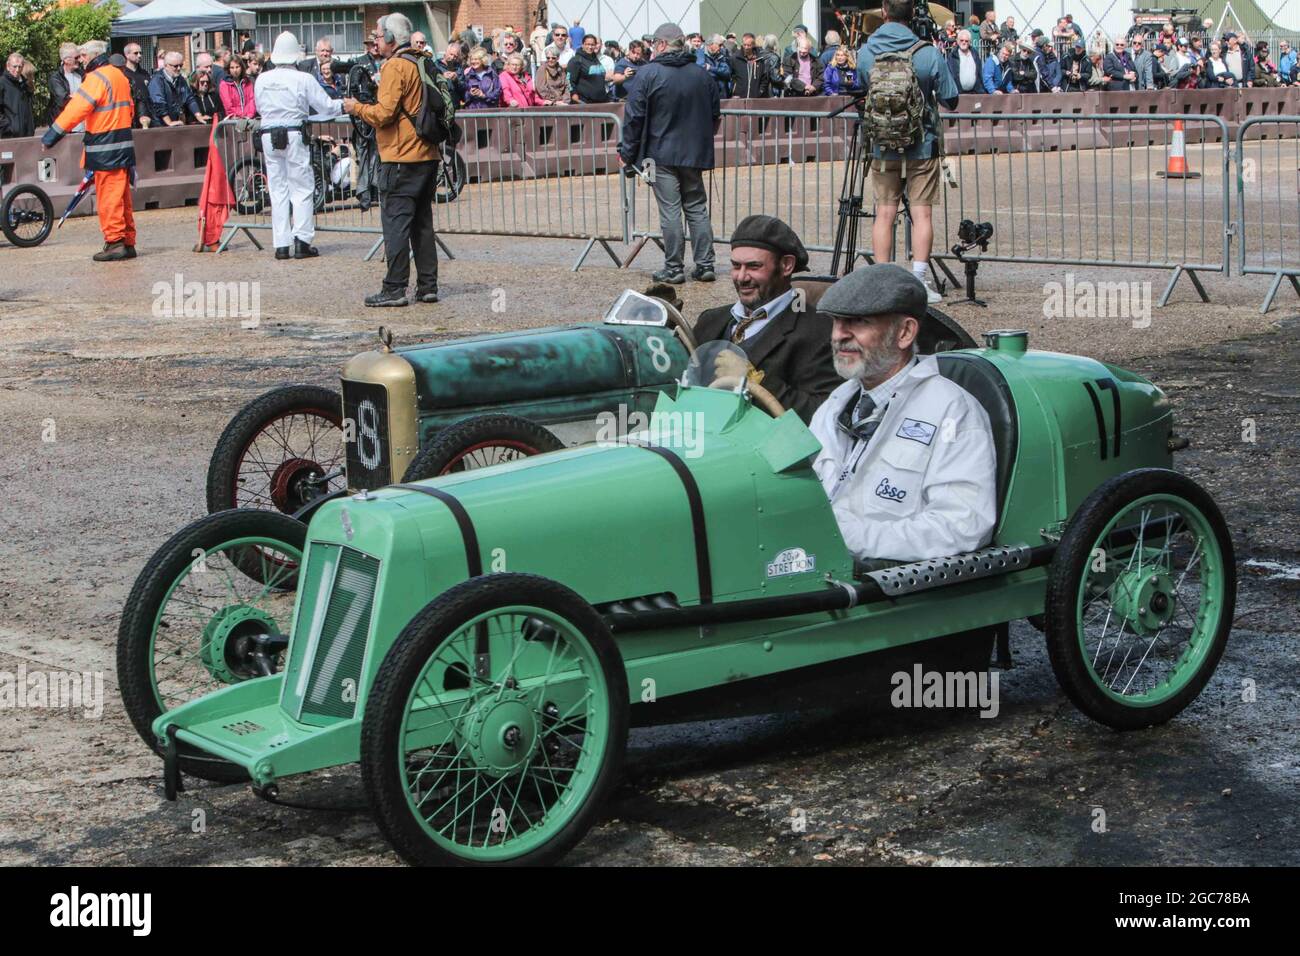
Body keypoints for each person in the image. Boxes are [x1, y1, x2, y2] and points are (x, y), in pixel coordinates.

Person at [809, 264, 996, 564]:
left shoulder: (952, 410)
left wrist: (847, 536)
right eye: (836, 321)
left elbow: (964, 525)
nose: (839, 335)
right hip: (815, 565)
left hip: (881, 588)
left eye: (857, 322)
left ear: (905, 332)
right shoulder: (837, 403)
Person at [693, 216, 840, 424]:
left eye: (753, 267)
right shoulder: (711, 320)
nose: (742, 277)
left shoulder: (819, 331)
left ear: (786, 265)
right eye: (736, 266)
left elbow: (824, 415)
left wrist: (755, 382)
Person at [858, 0, 959, 304]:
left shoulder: (866, 52)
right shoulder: (926, 52)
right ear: (913, 15)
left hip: (882, 143)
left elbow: (864, 88)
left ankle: (884, 281)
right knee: (922, 213)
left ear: (885, 13)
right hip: (921, 142)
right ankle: (918, 280)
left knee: (884, 213)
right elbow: (950, 98)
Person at [342, 13, 441, 306]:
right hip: (427, 153)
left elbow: (384, 114)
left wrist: (357, 107)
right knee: (422, 223)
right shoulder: (422, 61)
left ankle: (395, 288)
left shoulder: (395, 67)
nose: (375, 40)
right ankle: (427, 286)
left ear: (389, 38)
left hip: (401, 156)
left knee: (396, 224)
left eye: (378, 34)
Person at [618, 22, 720, 285]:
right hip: (693, 152)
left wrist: (627, 153)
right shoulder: (702, 75)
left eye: (654, 43)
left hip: (660, 153)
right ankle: (705, 264)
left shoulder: (648, 73)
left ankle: (674, 268)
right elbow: (714, 117)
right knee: (697, 208)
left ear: (662, 45)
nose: (652, 48)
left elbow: (634, 117)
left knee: (671, 210)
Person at [41, 41, 135, 260]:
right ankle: (127, 241)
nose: (80, 59)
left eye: (82, 55)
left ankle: (114, 242)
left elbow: (75, 110)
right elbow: (130, 108)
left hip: (105, 147)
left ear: (93, 56)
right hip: (122, 144)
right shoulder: (119, 75)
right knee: (122, 197)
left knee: (109, 197)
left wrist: (51, 136)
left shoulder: (96, 78)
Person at [256, 31, 344, 260]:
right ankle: (302, 241)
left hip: (268, 134)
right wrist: (345, 105)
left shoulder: (262, 79)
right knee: (301, 187)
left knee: (277, 189)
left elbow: (258, 106)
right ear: (295, 55)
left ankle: (281, 244)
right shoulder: (303, 78)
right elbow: (325, 106)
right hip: (295, 133)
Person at [149, 52, 207, 126]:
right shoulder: (157, 80)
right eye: (175, 66)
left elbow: (189, 98)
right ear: (166, 66)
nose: (179, 68)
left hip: (174, 122)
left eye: (181, 65)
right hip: (159, 125)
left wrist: (198, 115)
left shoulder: (180, 79)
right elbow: (159, 103)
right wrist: (169, 122)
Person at [1, 53, 36, 139]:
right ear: (8, 66)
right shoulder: (2, 83)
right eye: (14, 66)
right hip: (9, 137)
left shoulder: (24, 84)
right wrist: (8, 129)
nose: (17, 70)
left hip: (27, 135)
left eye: (20, 67)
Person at [567, 33, 610, 103]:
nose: (590, 47)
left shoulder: (595, 59)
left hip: (601, 102)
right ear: (583, 45)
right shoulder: (576, 60)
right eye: (587, 44)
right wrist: (574, 95)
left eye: (592, 45)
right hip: (585, 103)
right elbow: (569, 80)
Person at [48, 43, 83, 127]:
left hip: (82, 126)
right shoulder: (56, 78)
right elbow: (63, 100)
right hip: (64, 126)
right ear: (66, 60)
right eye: (76, 57)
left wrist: (74, 96)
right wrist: (82, 97)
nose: (80, 60)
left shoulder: (82, 74)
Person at [730, 33, 774, 98]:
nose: (746, 47)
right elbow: (731, 77)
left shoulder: (761, 59)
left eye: (749, 45)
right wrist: (733, 92)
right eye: (744, 45)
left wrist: (760, 91)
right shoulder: (735, 58)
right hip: (739, 97)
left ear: (753, 45)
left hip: (756, 98)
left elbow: (764, 78)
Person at [122, 42, 152, 128]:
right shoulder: (122, 74)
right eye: (136, 53)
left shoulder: (145, 74)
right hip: (129, 118)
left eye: (140, 53)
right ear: (127, 55)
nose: (139, 55)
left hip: (146, 118)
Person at [947, 29, 982, 94]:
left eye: (966, 41)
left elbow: (979, 73)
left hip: (974, 93)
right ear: (957, 41)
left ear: (969, 42)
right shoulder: (952, 56)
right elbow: (949, 76)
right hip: (958, 94)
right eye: (962, 40)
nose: (964, 42)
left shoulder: (975, 54)